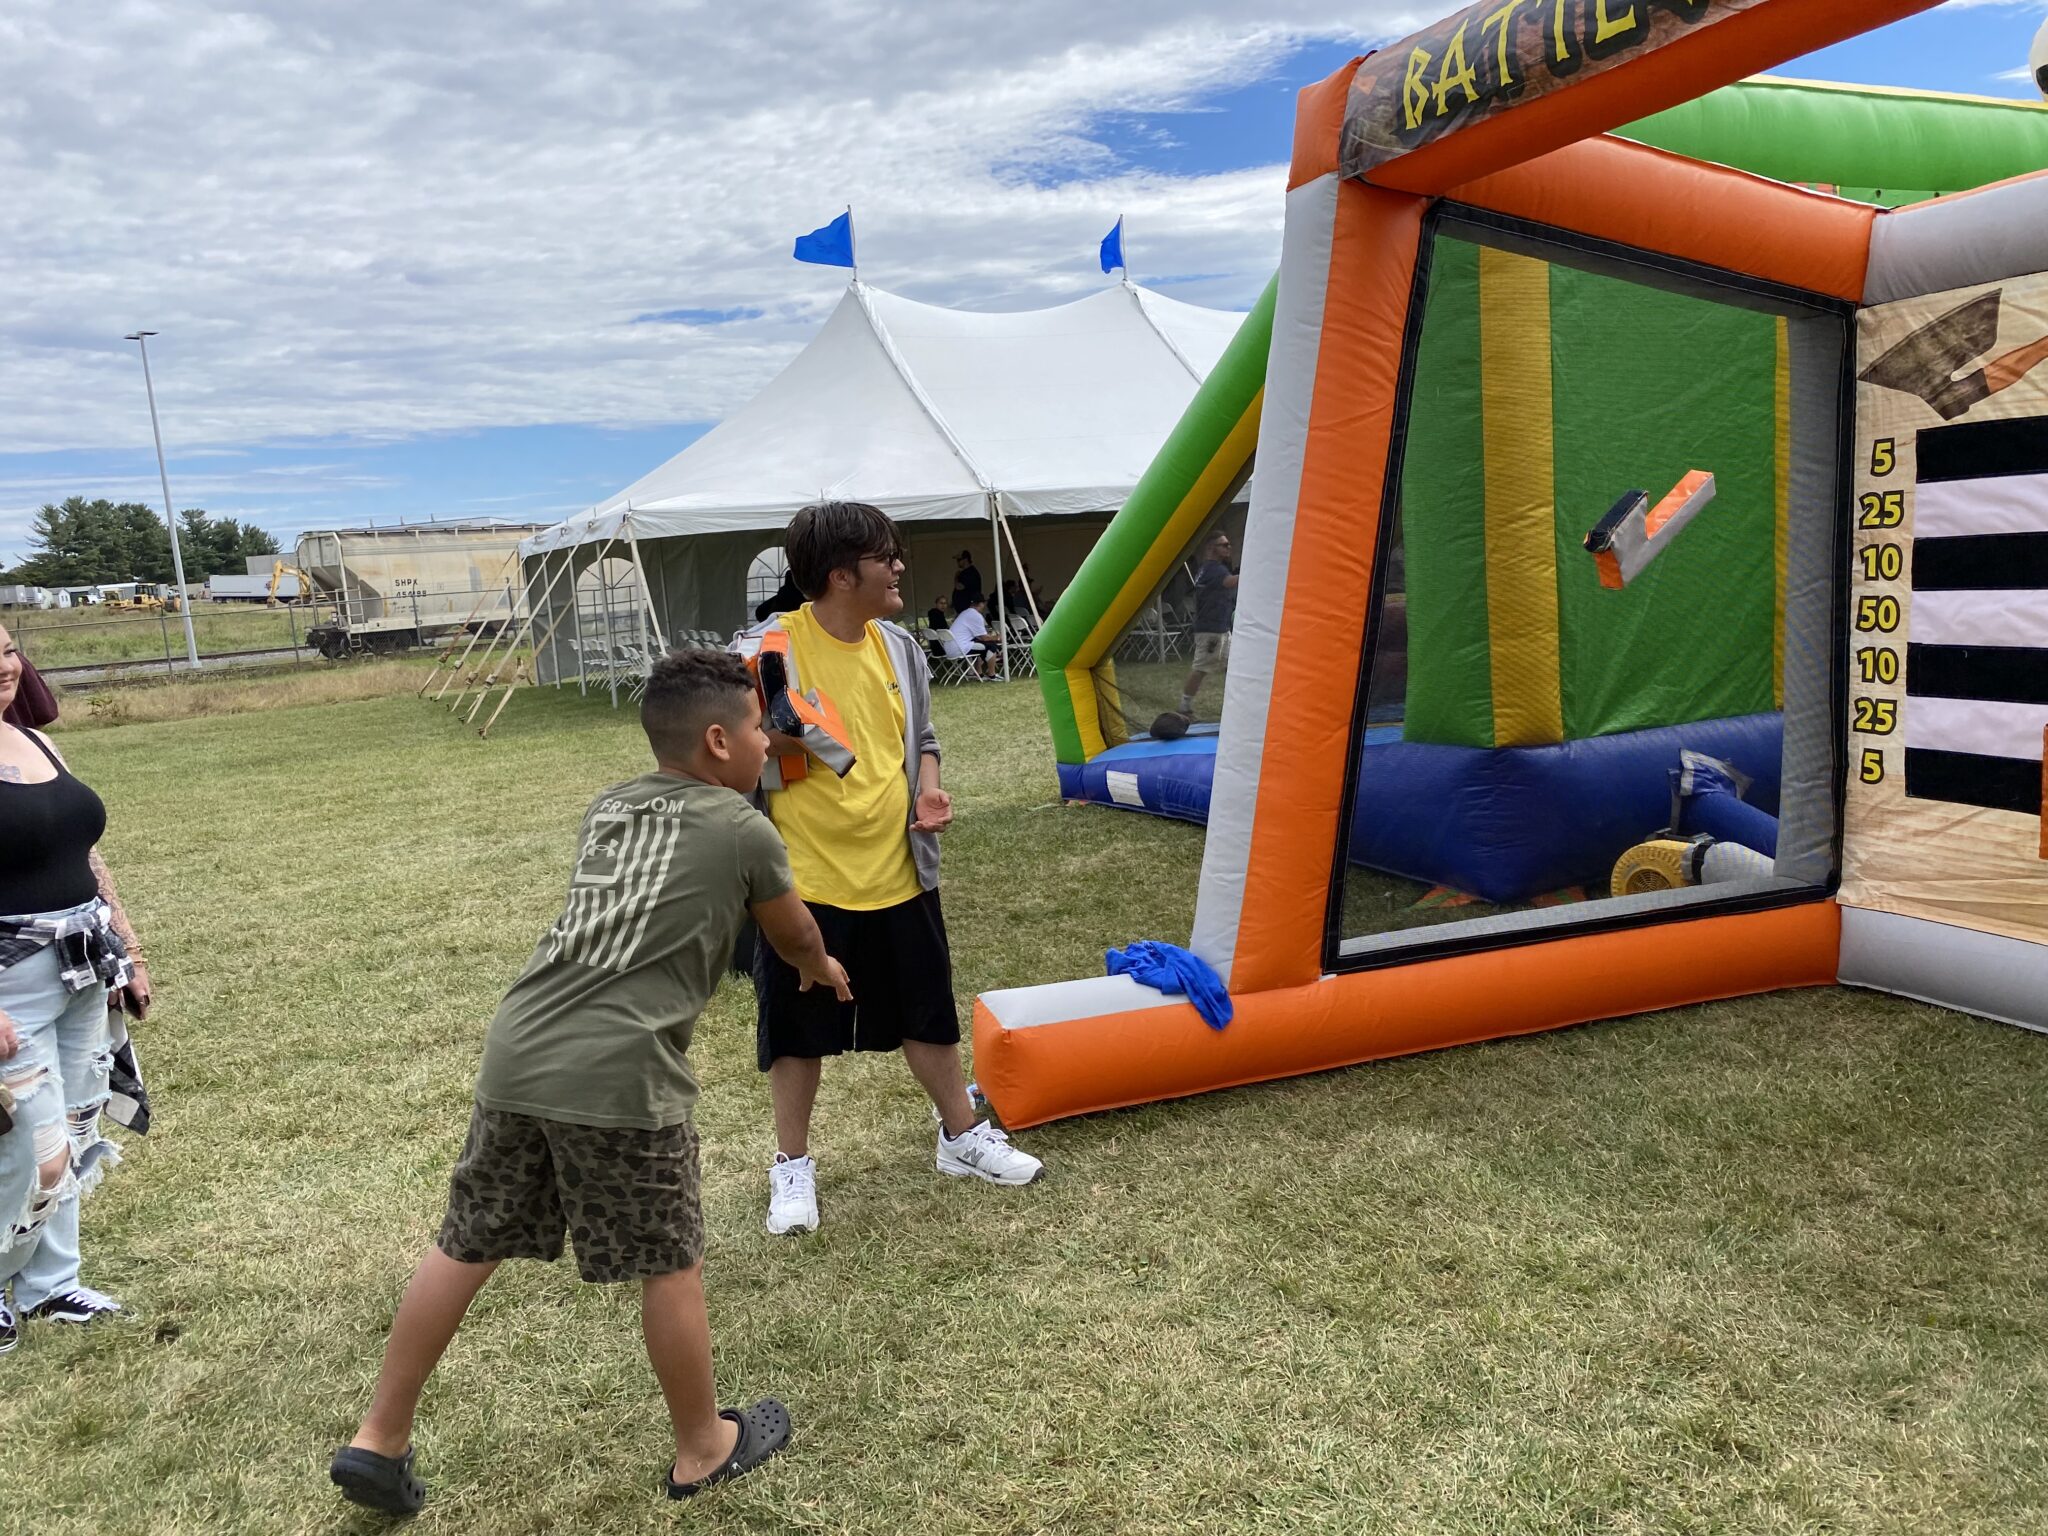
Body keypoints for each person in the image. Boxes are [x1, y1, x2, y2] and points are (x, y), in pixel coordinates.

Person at [330, 650, 850, 1514]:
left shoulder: (610, 806)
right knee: (671, 1263)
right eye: (760, 728)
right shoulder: (744, 829)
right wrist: (822, 967)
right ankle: (702, 1446)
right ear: (720, 741)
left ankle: (377, 1437)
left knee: (468, 1240)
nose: (771, 741)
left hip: (519, 1047)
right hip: (621, 1071)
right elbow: (790, 932)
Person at [736, 502, 1042, 1237]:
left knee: (928, 1012)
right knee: (798, 1029)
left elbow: (924, 738)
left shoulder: (899, 646)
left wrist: (929, 784)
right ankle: (792, 1167)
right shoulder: (768, 647)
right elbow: (743, 749)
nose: (901, 566)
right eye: (886, 556)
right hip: (805, 879)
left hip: (901, 870)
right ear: (841, 575)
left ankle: (960, 1137)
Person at [0, 621, 151, 1356]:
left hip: (85, 966)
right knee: (29, 1145)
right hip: (10, 983)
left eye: (5, 650)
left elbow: (87, 856)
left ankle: (50, 1285)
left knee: (80, 1120)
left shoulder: (33, 739)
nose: (3, 666)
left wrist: (131, 949)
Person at [1179, 530, 1240, 718]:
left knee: (1234, 665)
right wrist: (1254, 570)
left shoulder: (1207, 568)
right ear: (1212, 548)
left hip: (1220, 627)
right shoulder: (1214, 569)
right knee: (1200, 669)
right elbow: (1230, 582)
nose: (1229, 548)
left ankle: (1237, 703)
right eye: (1224, 545)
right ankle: (1184, 707)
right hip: (1211, 629)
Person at [948, 594, 1001, 679]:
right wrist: (997, 637)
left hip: (950, 648)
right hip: (959, 648)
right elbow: (984, 638)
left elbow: (980, 637)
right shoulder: (976, 615)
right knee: (991, 646)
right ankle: (992, 675)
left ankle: (978, 673)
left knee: (982, 645)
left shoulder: (964, 613)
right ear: (981, 604)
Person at [949, 550, 983, 616]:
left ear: (966, 559)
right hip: (964, 609)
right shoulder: (966, 572)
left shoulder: (970, 573)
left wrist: (956, 577)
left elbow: (959, 587)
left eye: (959, 560)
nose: (957, 562)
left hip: (967, 609)